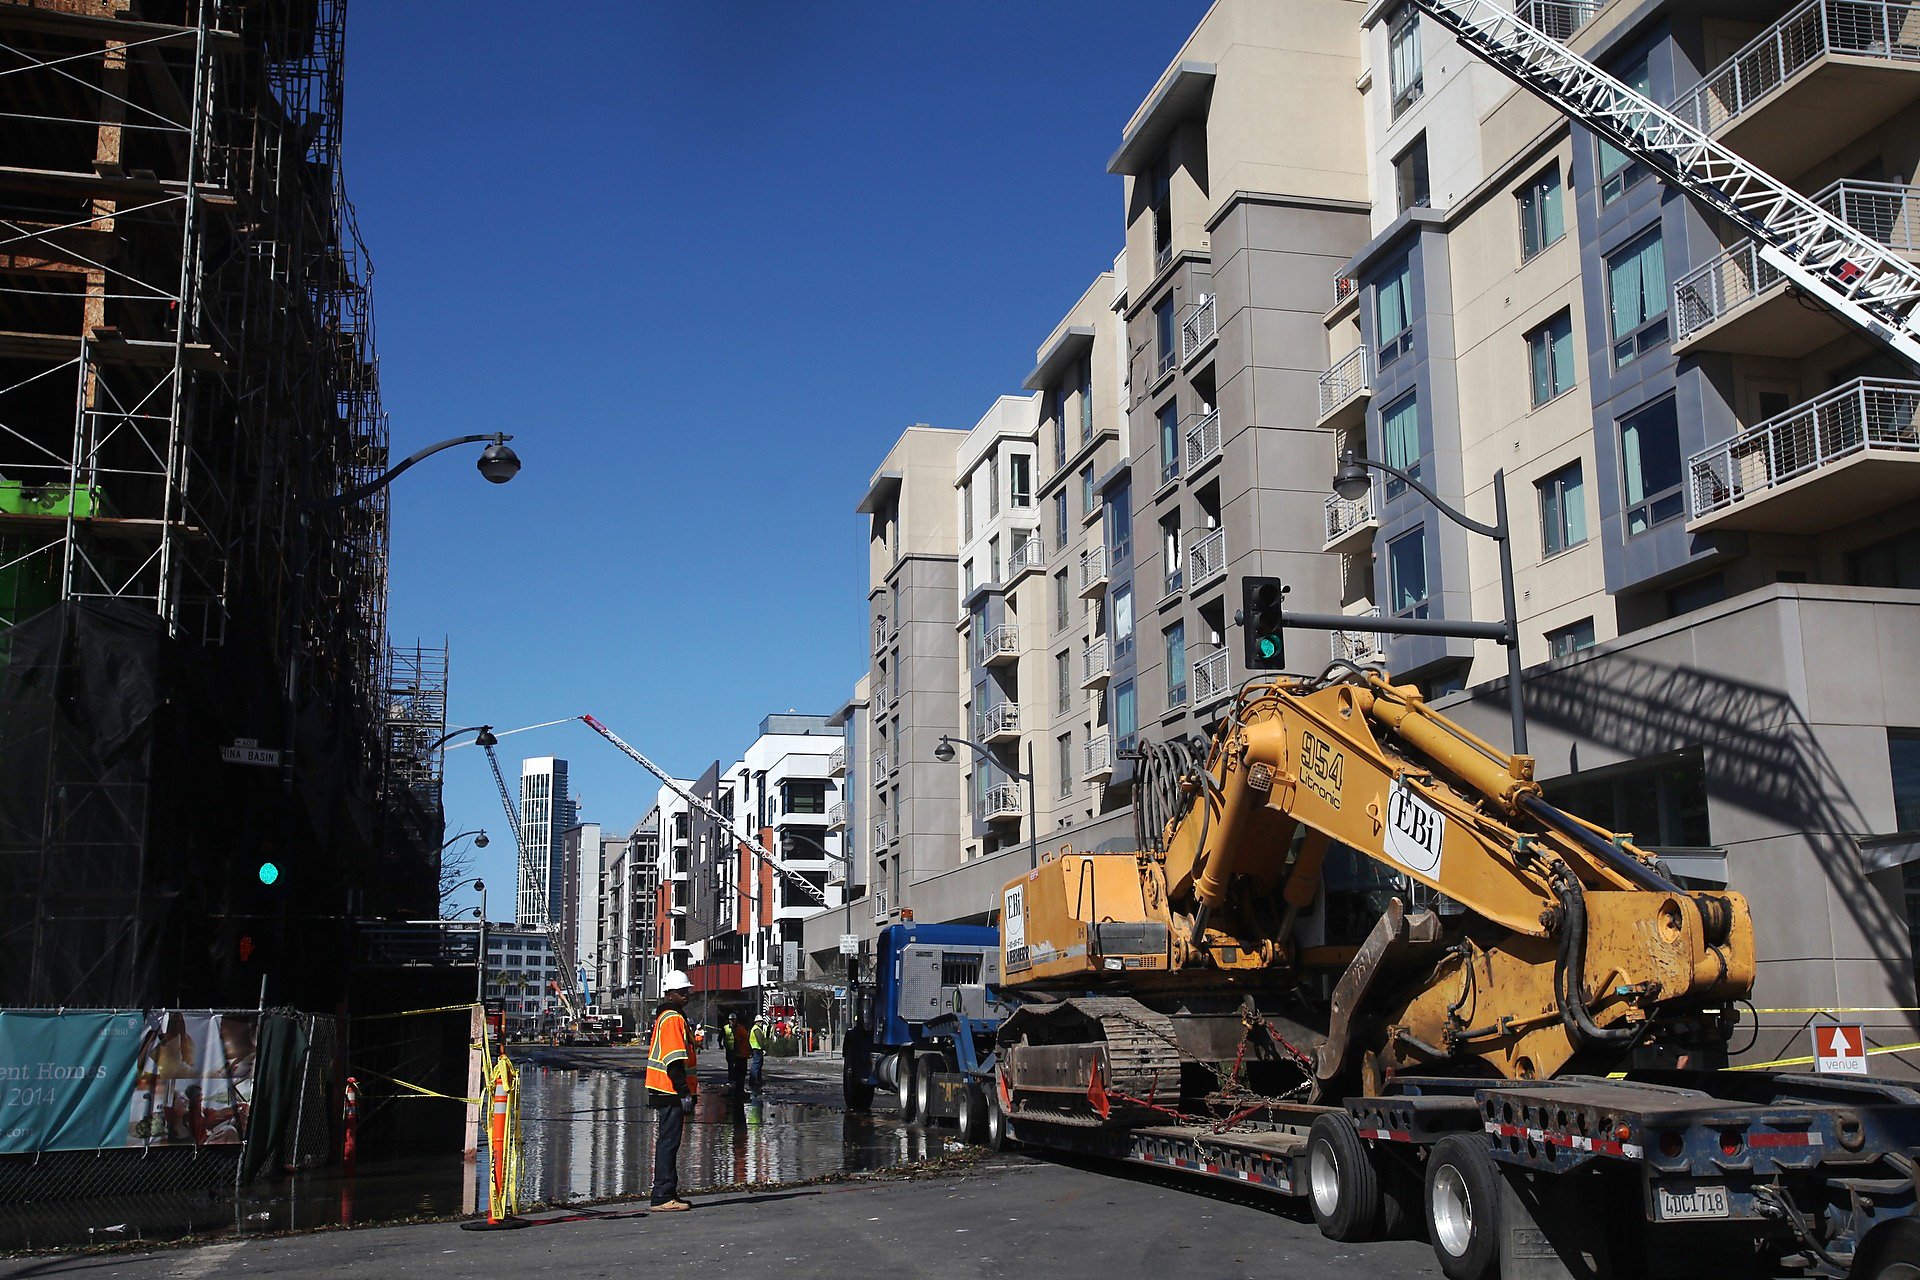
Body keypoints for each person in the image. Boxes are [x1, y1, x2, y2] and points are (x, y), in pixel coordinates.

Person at [645, 969, 699, 1211]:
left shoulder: (670, 1017)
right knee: (669, 1142)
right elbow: (674, 1060)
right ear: (670, 994)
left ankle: (666, 1193)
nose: (686, 995)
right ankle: (663, 1195)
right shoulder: (672, 1019)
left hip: (666, 1090)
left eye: (687, 991)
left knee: (668, 1142)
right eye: (682, 992)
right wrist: (683, 1092)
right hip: (669, 1091)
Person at [722, 1011, 750, 1097]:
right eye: (731, 1020)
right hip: (736, 1053)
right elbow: (738, 1042)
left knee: (740, 1073)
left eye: (733, 1020)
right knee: (737, 1072)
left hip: (740, 1054)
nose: (732, 1022)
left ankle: (737, 1090)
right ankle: (737, 1090)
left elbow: (742, 1042)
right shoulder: (731, 1028)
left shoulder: (740, 1029)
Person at [748, 1013, 769, 1095]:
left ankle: (757, 1080)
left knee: (758, 1065)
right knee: (756, 1065)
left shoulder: (755, 1028)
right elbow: (760, 1040)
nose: (761, 1022)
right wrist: (763, 1048)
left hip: (755, 1048)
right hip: (757, 1048)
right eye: (760, 1021)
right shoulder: (756, 1029)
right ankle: (754, 1080)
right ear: (757, 1022)